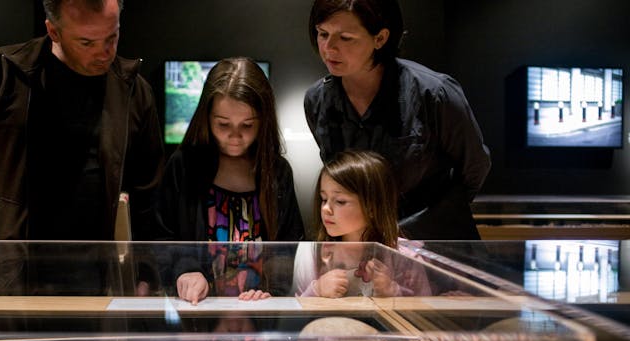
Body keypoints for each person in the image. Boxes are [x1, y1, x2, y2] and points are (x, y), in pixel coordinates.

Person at [0, 0, 164, 241]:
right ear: (53, 31)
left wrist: (145, 270)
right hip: (8, 266)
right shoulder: (1, 73)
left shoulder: (133, 90)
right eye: (87, 42)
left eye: (112, 37)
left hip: (95, 267)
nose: (106, 53)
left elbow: (149, 193)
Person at [304, 0, 491, 240]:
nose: (329, 48)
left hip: (432, 242)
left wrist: (420, 228)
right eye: (322, 34)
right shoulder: (316, 99)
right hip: (365, 247)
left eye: (346, 38)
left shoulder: (433, 93)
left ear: (380, 38)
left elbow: (474, 168)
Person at [154, 57, 305, 304]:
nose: (235, 136)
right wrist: (185, 269)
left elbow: (290, 245)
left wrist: (273, 291)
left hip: (259, 309)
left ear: (263, 121)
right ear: (207, 117)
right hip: (197, 309)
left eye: (247, 125)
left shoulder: (277, 171)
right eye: (223, 124)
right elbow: (161, 235)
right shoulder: (184, 165)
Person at [292, 150, 430, 298]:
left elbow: (424, 313)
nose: (325, 208)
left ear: (372, 208)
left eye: (340, 201)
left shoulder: (405, 258)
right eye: (324, 199)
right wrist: (316, 290)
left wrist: (391, 292)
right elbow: (295, 314)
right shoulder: (311, 254)